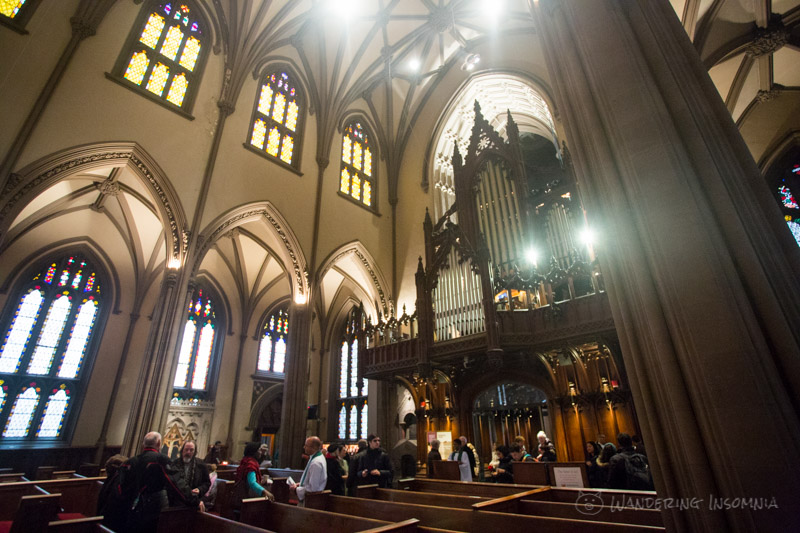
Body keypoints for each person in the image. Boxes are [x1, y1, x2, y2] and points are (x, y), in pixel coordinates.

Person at [107, 431, 201, 533]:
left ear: (143, 444)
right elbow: (176, 483)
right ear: (159, 443)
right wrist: (194, 501)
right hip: (151, 512)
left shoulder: (130, 462)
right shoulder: (160, 459)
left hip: (127, 512)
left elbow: (120, 488)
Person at [233, 441, 275, 515]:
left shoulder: (246, 460)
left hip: (241, 498)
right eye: (259, 450)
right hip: (247, 499)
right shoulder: (251, 464)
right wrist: (265, 491)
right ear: (253, 452)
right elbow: (252, 483)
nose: (260, 452)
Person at [170, 440, 211, 505]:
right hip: (176, 501)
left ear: (195, 452)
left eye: (191, 450)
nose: (188, 452)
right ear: (182, 450)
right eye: (186, 449)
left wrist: (200, 490)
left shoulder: (201, 465)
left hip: (195, 501)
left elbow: (207, 483)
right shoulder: (174, 464)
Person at [292, 436, 327, 505]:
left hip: (310, 500)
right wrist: (300, 484)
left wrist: (296, 489)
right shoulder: (316, 457)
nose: (304, 447)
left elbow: (313, 489)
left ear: (313, 447)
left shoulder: (316, 462)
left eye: (306, 445)